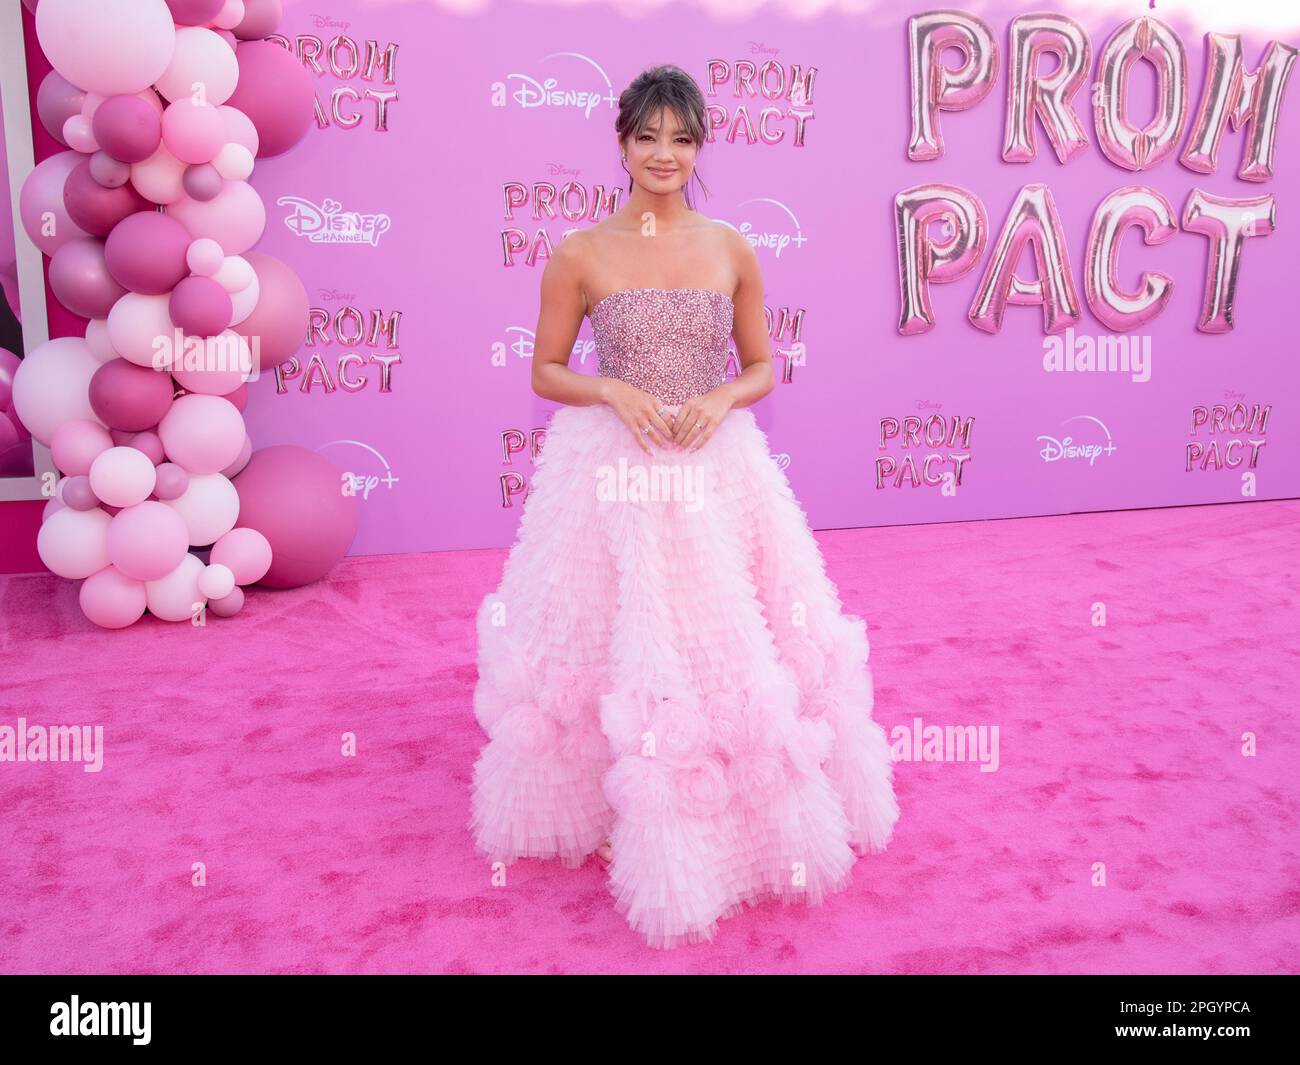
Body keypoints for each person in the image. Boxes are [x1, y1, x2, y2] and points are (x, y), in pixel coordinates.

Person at [469, 64, 898, 949]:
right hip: (611, 468)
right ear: (622, 141)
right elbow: (544, 369)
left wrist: (720, 399)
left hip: (712, 460)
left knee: (727, 630)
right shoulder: (579, 251)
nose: (665, 154)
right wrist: (608, 393)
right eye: (648, 136)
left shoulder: (731, 245)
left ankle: (733, 804)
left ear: (701, 145)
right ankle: (604, 788)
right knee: (614, 629)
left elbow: (762, 367)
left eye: (683, 138)